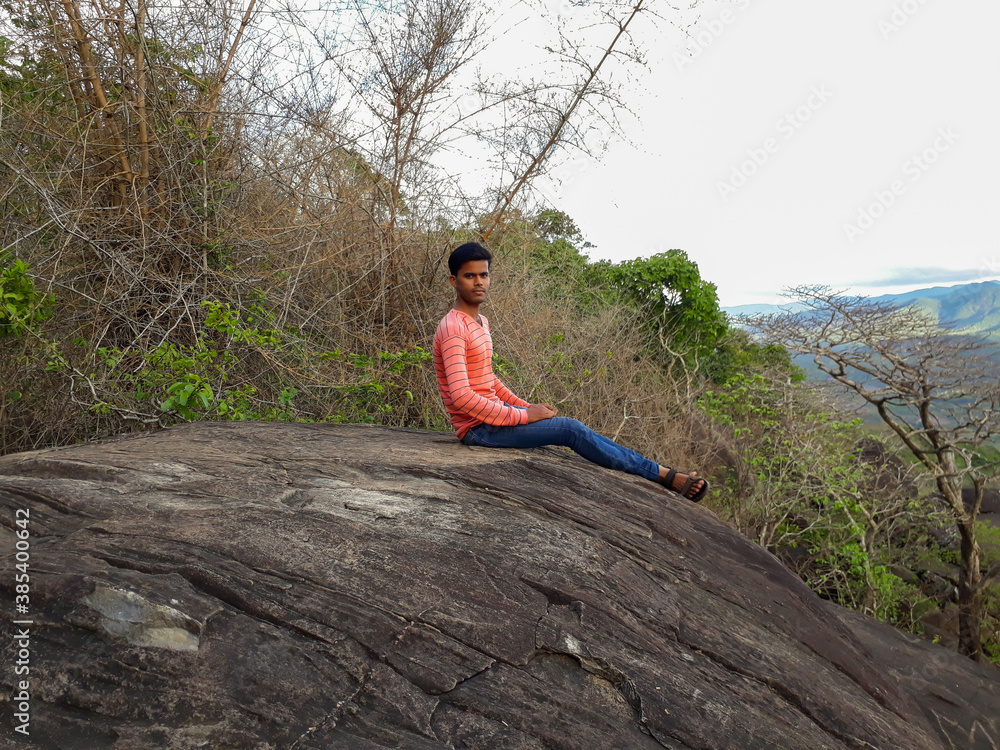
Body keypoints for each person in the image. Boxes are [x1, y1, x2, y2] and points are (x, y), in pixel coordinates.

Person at [432, 241, 708, 501]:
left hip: (493, 415)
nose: (479, 282)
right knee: (570, 430)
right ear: (454, 281)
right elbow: (461, 396)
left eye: (484, 275)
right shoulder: (454, 328)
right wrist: (524, 416)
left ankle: (661, 471)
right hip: (479, 429)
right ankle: (664, 476)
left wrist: (525, 407)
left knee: (571, 426)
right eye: (470, 276)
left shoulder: (480, 322)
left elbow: (487, 378)